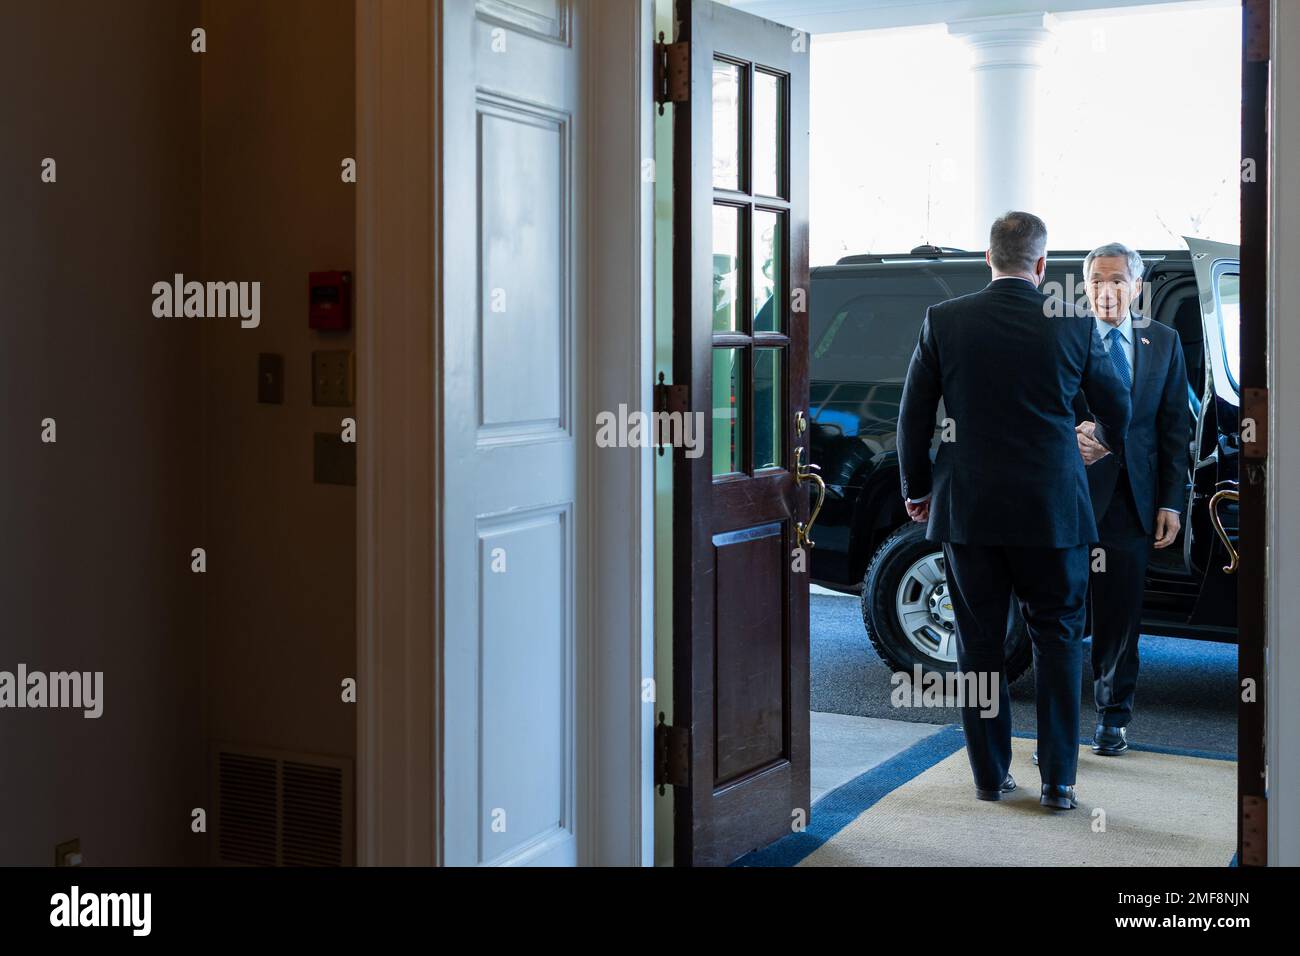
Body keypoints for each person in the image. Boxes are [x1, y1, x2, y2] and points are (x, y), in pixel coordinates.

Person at [896, 211, 1131, 809]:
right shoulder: (1075, 325)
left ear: (988, 258)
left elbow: (912, 418)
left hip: (969, 511)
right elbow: (1118, 403)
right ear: (1043, 264)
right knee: (1058, 641)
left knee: (978, 646)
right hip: (1052, 511)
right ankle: (1059, 783)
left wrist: (917, 488)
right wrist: (1101, 437)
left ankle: (989, 777)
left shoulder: (944, 320)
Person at [1069, 242, 1190, 756]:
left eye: (1118, 281)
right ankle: (1058, 729)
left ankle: (1113, 719)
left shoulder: (1162, 341)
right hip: (1069, 496)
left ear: (1137, 287)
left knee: (1121, 619)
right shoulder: (1063, 337)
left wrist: (1172, 501)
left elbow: (1173, 429)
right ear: (1084, 285)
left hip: (1130, 503)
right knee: (1060, 615)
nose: (1107, 291)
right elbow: (1034, 409)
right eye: (1097, 280)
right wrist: (1068, 433)